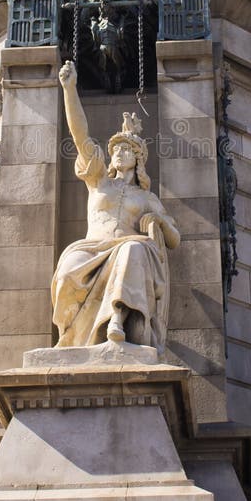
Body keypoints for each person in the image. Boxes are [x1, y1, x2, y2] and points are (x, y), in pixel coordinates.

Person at [51, 60, 179, 351]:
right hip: (90, 248)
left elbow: (174, 239)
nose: (119, 153)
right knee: (68, 269)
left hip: (127, 247)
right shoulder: (98, 181)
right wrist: (69, 89)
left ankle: (116, 321)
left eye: (126, 149)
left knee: (132, 250)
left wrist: (157, 222)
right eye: (115, 149)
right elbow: (80, 137)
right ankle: (70, 336)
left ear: (138, 159)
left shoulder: (147, 199)